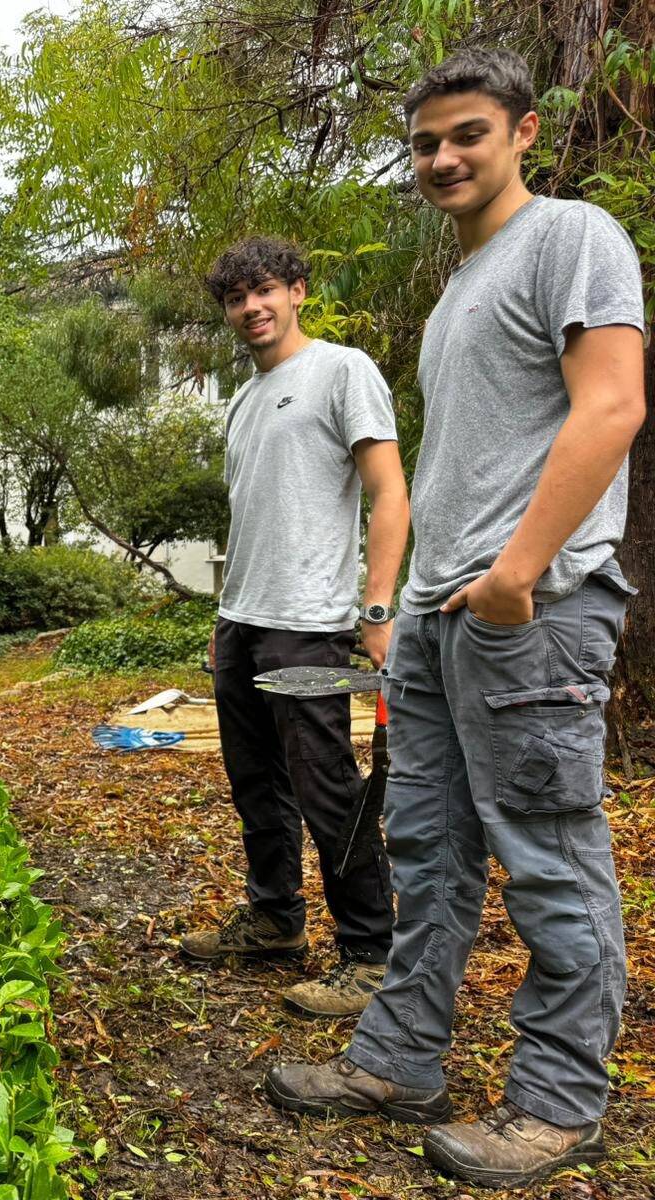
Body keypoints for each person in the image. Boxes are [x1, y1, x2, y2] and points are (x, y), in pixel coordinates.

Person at [264, 48, 646, 1191]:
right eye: (425, 142)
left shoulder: (572, 237)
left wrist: (518, 572)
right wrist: (409, 602)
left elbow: (615, 403)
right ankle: (398, 1063)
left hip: (530, 608)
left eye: (466, 134)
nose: (442, 158)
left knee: (548, 853)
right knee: (427, 852)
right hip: (440, 617)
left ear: (522, 132)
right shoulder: (459, 289)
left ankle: (557, 1103)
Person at [180, 237, 408, 1019]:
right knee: (255, 784)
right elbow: (253, 518)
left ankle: (370, 952)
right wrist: (224, 619)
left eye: (264, 291)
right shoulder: (244, 400)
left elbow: (388, 492)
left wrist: (377, 611)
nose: (251, 308)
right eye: (236, 298)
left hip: (309, 626)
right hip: (244, 622)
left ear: (299, 291)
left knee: (328, 788)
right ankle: (275, 918)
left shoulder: (342, 370)